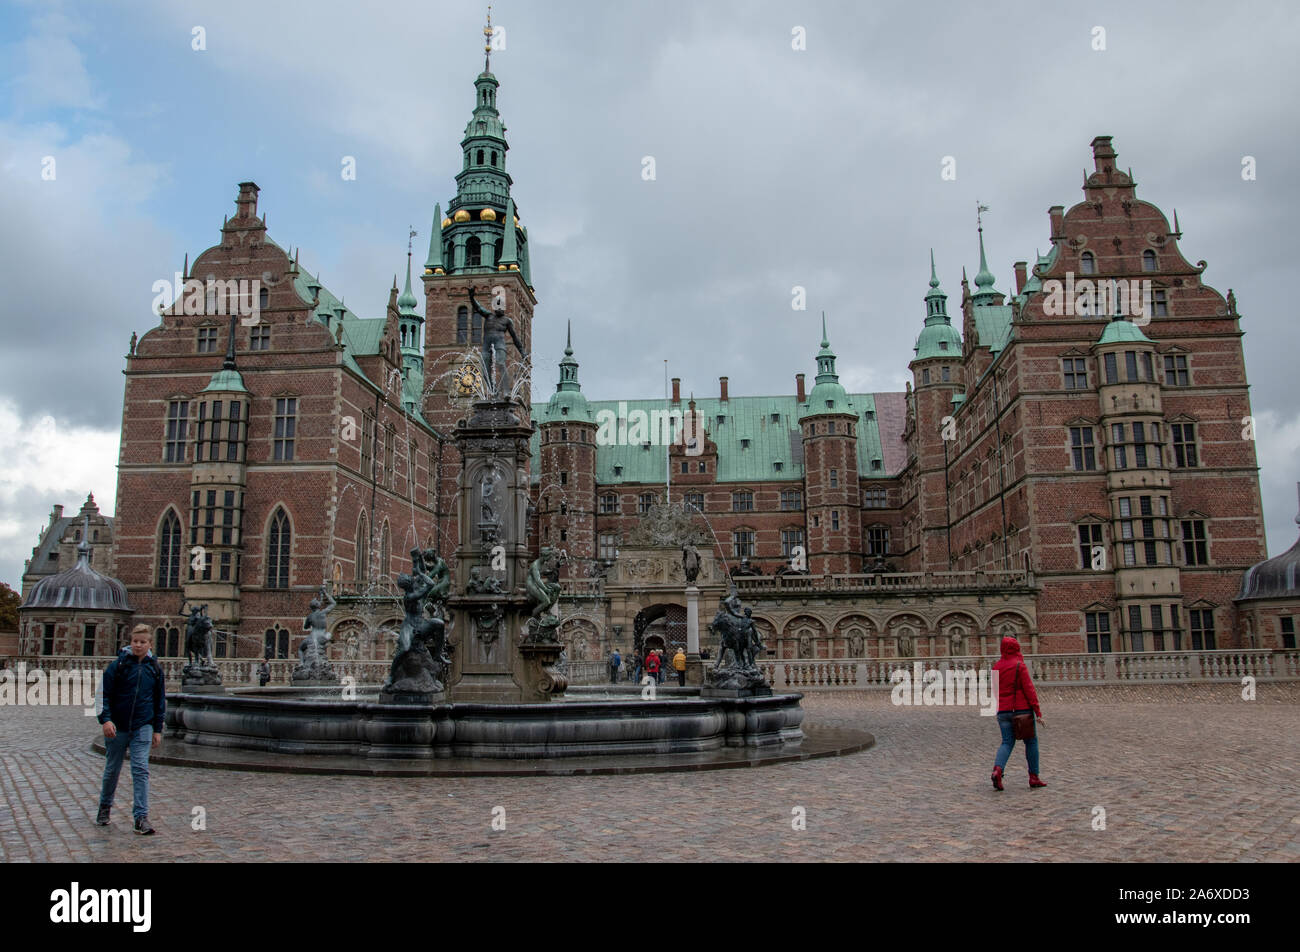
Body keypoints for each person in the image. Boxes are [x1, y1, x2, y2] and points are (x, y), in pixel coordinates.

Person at [96, 624, 166, 833]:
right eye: (135, 641)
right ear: (130, 642)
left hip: (142, 725)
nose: (138, 645)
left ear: (149, 644)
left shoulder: (154, 669)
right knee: (112, 770)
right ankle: (104, 808)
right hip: (117, 725)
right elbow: (103, 695)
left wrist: (157, 729)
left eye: (142, 642)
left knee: (141, 770)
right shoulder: (117, 666)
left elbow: (159, 701)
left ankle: (141, 817)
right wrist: (106, 720)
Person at [991, 635, 1045, 791]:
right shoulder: (1019, 665)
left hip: (1003, 711)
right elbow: (1029, 690)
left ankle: (997, 770)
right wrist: (1037, 711)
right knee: (1031, 742)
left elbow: (995, 691)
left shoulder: (996, 667)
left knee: (1006, 743)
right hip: (1021, 710)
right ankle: (1034, 777)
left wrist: (1000, 708)